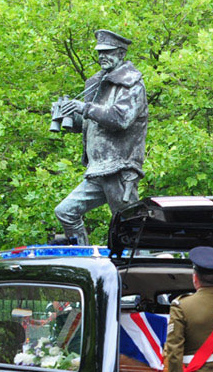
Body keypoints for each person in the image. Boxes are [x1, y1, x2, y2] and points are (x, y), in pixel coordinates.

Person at [54, 29, 148, 245]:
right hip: (98, 169)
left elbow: (120, 118)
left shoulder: (131, 84)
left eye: (108, 52)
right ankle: (82, 257)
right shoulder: (97, 83)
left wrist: (84, 107)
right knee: (65, 212)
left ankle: (137, 265)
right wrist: (70, 118)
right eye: (100, 52)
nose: (102, 56)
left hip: (119, 169)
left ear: (121, 54)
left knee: (129, 225)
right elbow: (92, 123)